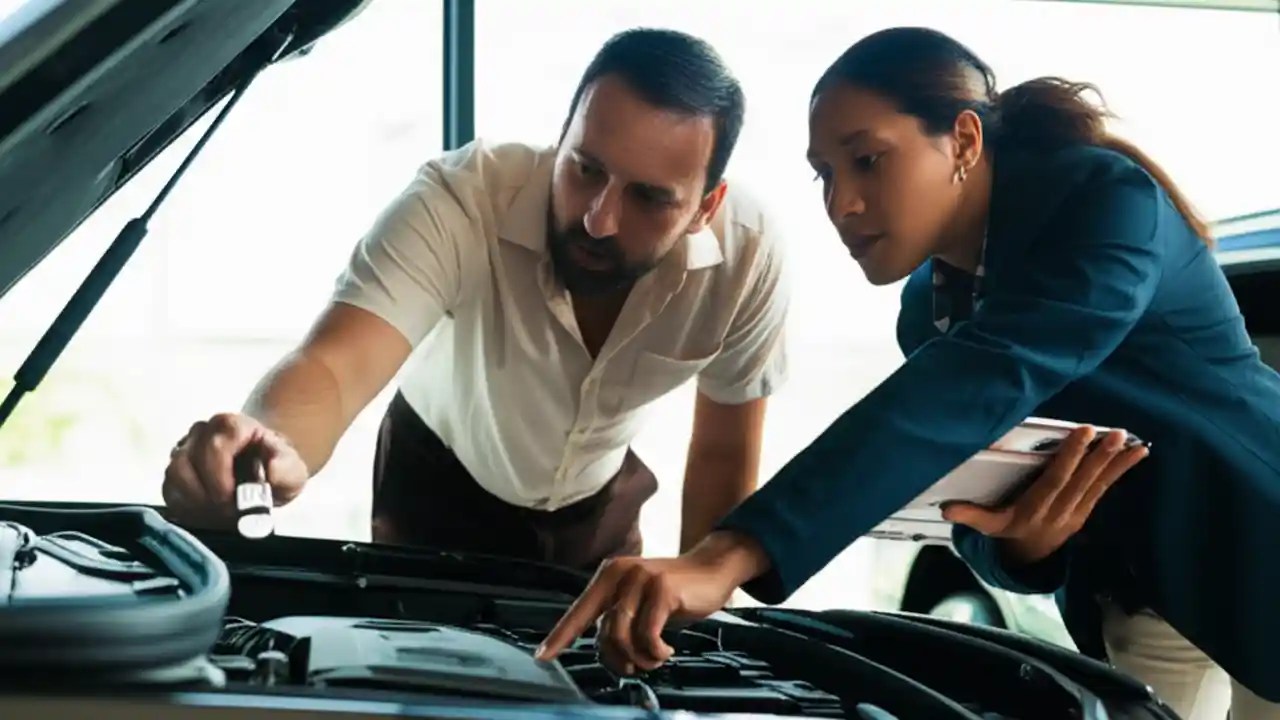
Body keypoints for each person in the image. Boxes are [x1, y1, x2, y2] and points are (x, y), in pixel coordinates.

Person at [535, 26, 1280, 720]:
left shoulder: (1105, 202)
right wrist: (1026, 545)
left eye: (868, 160)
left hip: (1253, 530)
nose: (842, 203)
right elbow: (971, 498)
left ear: (961, 138)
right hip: (1136, 600)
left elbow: (978, 382)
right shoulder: (927, 310)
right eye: (823, 174)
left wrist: (726, 555)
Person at [161, 28, 791, 572]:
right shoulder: (460, 199)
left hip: (602, 507)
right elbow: (333, 366)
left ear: (706, 206)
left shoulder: (748, 257)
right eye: (586, 169)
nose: (600, 219)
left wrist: (703, 614)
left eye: (649, 198)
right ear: (562, 137)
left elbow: (722, 452)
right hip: (436, 484)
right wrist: (269, 451)